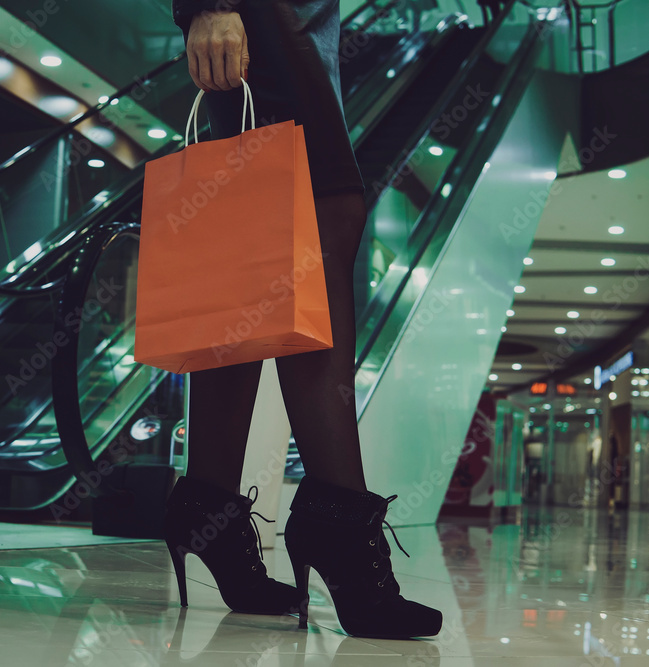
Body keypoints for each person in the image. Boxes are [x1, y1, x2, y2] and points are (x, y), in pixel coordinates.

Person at [161, 0, 442, 638]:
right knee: (323, 216)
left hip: (309, 21)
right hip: (262, 12)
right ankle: (337, 524)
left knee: (252, 238)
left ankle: (207, 503)